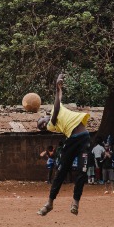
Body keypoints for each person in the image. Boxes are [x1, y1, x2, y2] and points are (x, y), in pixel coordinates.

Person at [36, 73, 91, 216]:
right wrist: (56, 88)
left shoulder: (55, 108)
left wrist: (59, 85)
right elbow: (56, 105)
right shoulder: (51, 123)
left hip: (84, 138)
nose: (42, 124)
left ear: (44, 115)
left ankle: (75, 202)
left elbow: (59, 98)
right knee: (60, 172)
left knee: (82, 171)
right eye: (41, 126)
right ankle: (49, 203)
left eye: (41, 121)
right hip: (72, 141)